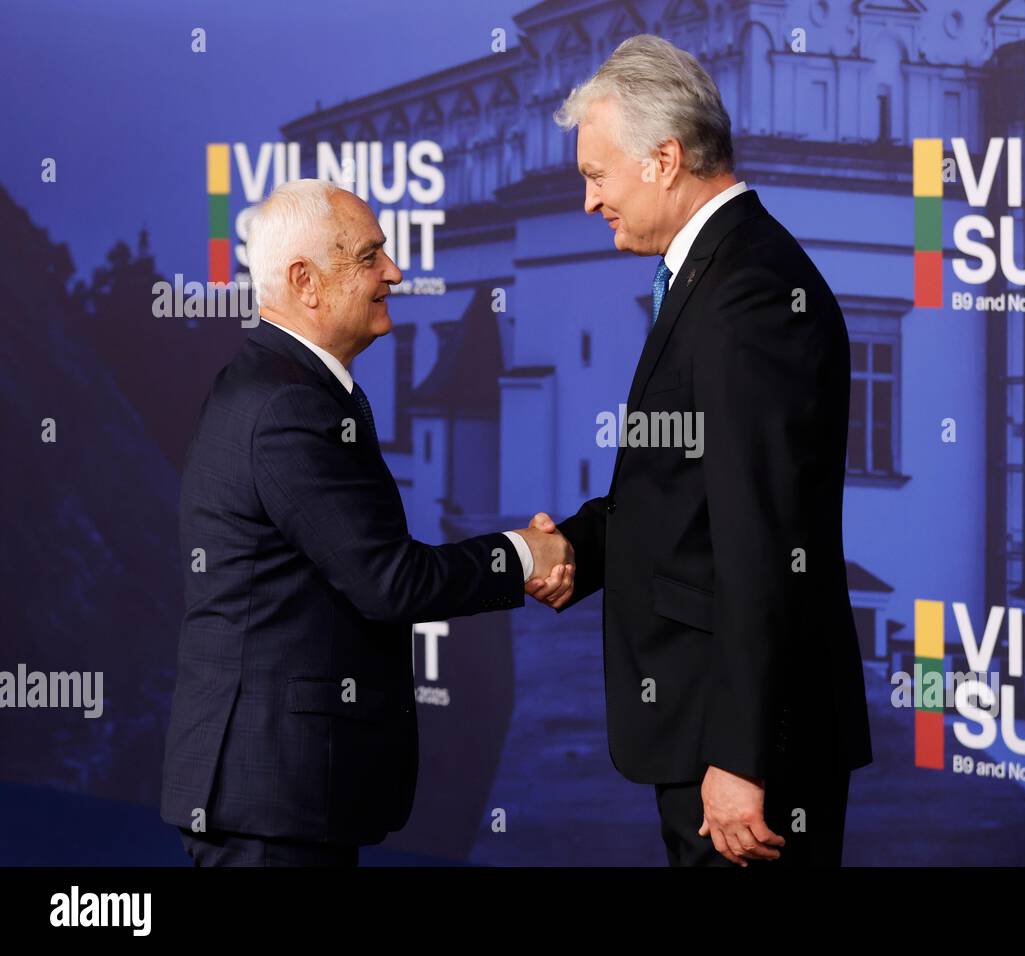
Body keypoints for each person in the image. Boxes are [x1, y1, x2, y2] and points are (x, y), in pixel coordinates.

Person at [528, 34, 872, 867]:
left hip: (742, 753)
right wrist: (576, 547)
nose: (587, 201)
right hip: (705, 726)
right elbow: (683, 495)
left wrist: (742, 757)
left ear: (664, 159)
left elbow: (765, 535)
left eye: (596, 175)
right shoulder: (712, 275)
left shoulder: (748, 292)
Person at [160, 179, 572, 866]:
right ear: (306, 282)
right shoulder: (289, 406)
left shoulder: (274, 383)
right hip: (272, 800)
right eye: (369, 256)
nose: (395, 272)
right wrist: (525, 555)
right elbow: (389, 580)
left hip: (277, 794)